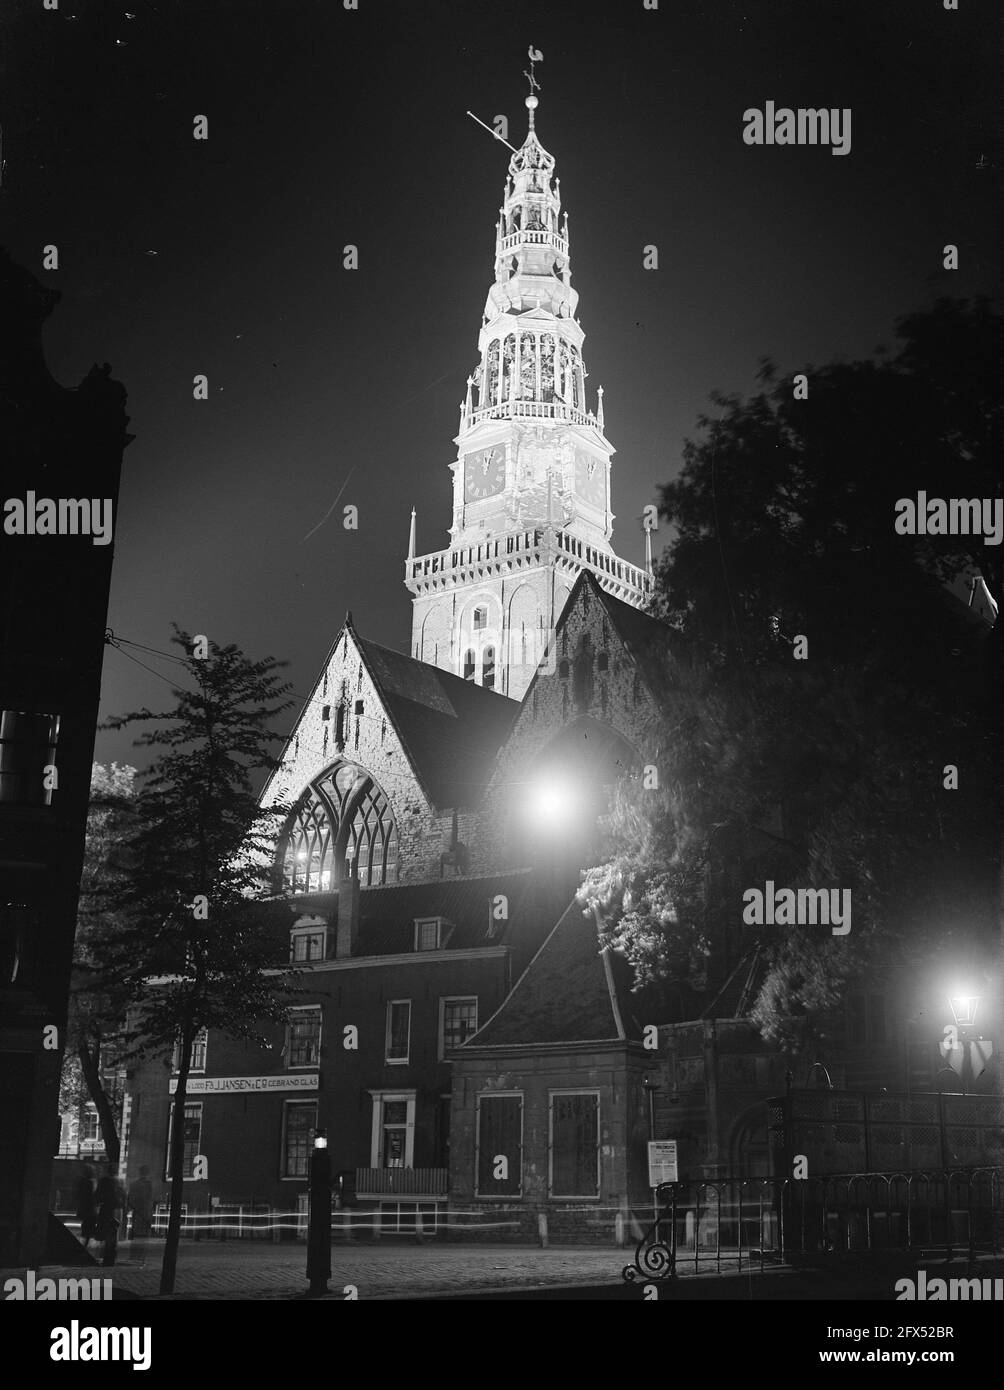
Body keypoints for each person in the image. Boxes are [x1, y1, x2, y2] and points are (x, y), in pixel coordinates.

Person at [94, 1162, 125, 1267]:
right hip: (115, 1210)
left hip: (106, 1209)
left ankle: (106, 1257)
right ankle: (111, 1256)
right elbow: (122, 1196)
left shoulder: (104, 1181)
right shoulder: (119, 1182)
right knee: (113, 1233)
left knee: (106, 1233)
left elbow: (98, 1195)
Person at [75, 1162, 97, 1249]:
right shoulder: (91, 1182)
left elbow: (78, 1194)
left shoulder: (82, 1181)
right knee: (89, 1225)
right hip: (90, 1208)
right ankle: (86, 1244)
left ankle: (84, 1243)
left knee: (85, 1225)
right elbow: (92, 1195)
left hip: (84, 1207)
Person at [128, 1165, 153, 1239]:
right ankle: (143, 1234)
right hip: (144, 1206)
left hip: (137, 1206)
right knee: (144, 1221)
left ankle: (135, 1233)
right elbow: (149, 1195)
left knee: (136, 1221)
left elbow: (131, 1194)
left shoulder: (134, 1183)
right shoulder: (148, 1183)